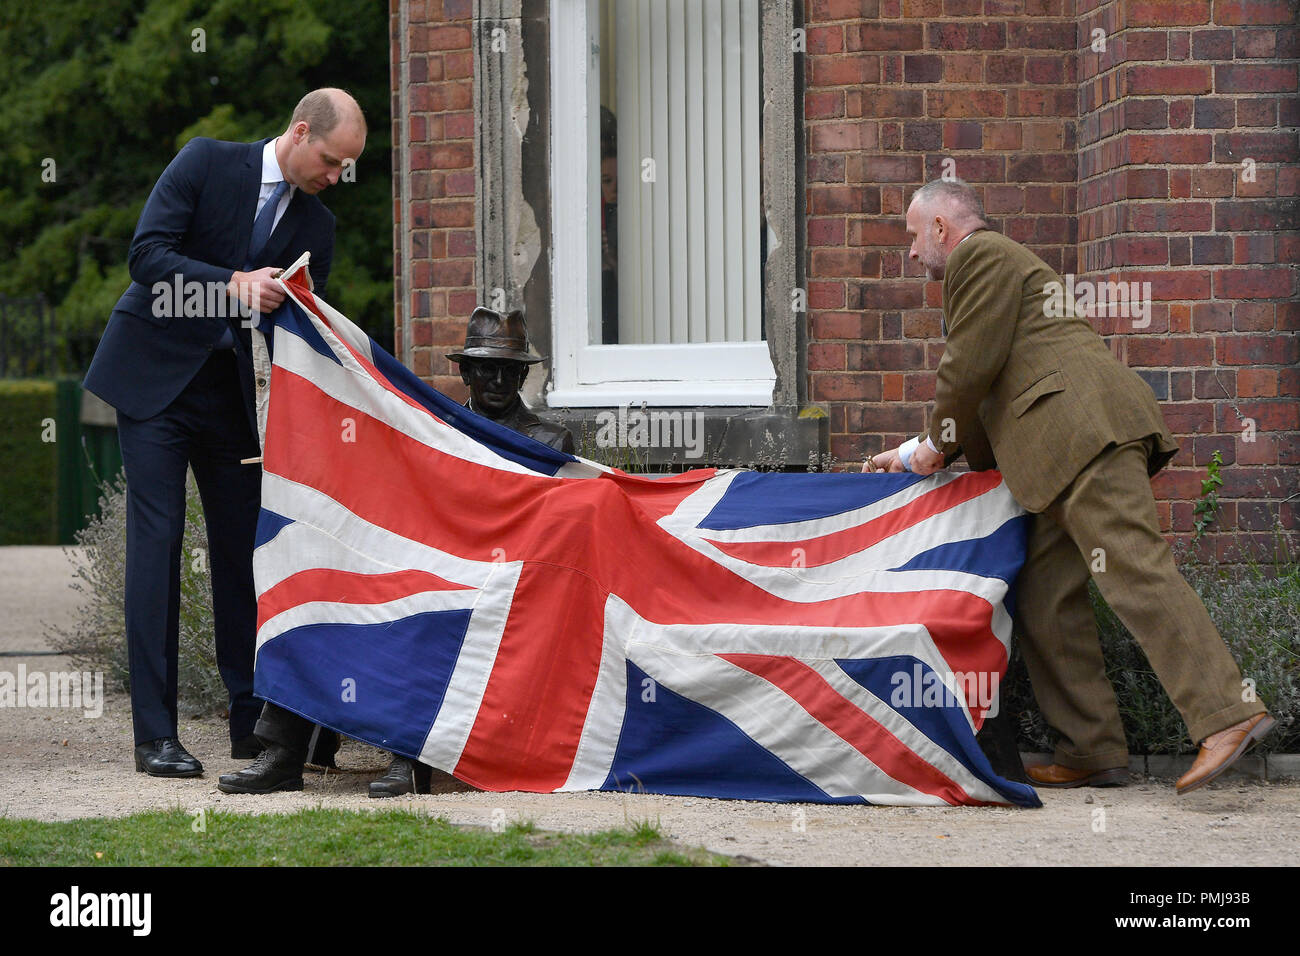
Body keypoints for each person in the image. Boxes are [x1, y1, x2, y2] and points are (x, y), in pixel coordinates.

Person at [866, 179, 1274, 794]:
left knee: (1135, 570)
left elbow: (967, 369)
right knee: (1044, 595)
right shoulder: (997, 270)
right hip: (1059, 453)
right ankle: (1091, 749)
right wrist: (913, 454)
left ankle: (1229, 714)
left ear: (943, 229)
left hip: (1084, 436)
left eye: (914, 236)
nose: (913, 252)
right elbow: (980, 397)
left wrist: (927, 449)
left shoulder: (979, 257)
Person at [84, 89, 367, 778]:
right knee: (158, 546)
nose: (336, 177)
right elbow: (147, 260)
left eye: (346, 167)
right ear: (300, 133)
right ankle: (156, 736)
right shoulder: (206, 162)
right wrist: (232, 287)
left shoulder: (319, 227)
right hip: (154, 383)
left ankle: (255, 732)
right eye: (331, 161)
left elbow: (302, 332)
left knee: (246, 558)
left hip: (237, 404)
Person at [218, 307, 573, 795]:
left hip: (500, 582)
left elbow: (556, 536)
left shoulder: (549, 441)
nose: (497, 379)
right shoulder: (433, 428)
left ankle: (409, 761)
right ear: (465, 371)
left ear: (523, 374)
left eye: (509, 369)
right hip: (429, 564)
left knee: (421, 610)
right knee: (318, 597)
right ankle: (284, 754)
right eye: (486, 367)